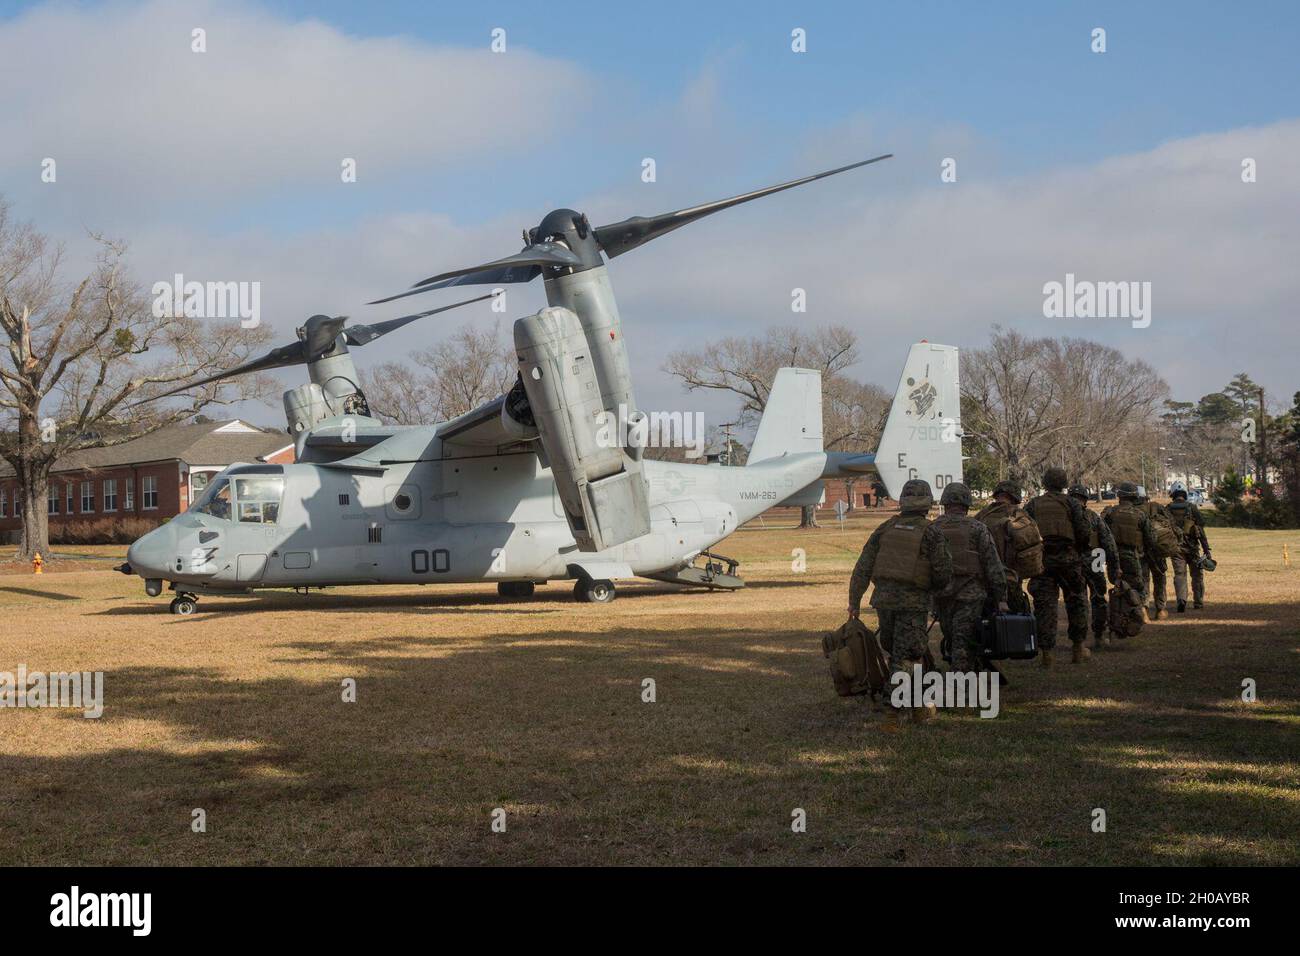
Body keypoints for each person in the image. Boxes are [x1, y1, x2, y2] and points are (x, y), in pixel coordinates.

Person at [848, 478, 953, 723]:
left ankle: (919, 709)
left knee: (904, 653)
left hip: (883, 602)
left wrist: (854, 601)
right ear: (927, 502)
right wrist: (934, 592)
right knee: (907, 657)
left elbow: (863, 566)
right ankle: (891, 712)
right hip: (913, 603)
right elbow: (943, 571)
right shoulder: (932, 532)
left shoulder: (885, 528)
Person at [933, 482, 1008, 673]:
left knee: (953, 636)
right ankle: (962, 685)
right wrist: (1001, 598)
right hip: (970, 593)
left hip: (942, 593)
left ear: (945, 502)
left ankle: (962, 676)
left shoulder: (933, 528)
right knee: (963, 639)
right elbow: (993, 565)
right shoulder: (977, 528)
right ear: (967, 504)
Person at [1024, 467, 1093, 665]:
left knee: (1045, 606)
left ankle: (1047, 654)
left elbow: (1026, 532)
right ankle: (1078, 649)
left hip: (1043, 561)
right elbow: (1083, 531)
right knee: (1077, 601)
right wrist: (1078, 551)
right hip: (1069, 558)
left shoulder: (1033, 504)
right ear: (1064, 484)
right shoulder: (1072, 503)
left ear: (1044, 483)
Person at [1069, 484, 1118, 650]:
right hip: (1096, 559)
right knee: (1098, 598)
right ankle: (1099, 635)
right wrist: (1114, 568)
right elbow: (1109, 543)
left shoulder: (1065, 518)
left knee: (1078, 600)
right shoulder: (1093, 517)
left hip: (1072, 561)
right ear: (1085, 500)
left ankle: (1080, 641)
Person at [975, 480, 1034, 617]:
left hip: (984, 583)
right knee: (1014, 628)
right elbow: (1032, 548)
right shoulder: (1019, 516)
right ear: (1014, 497)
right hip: (1010, 582)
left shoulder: (981, 516)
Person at [1103, 482, 1159, 618]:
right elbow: (1151, 539)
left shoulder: (1110, 513)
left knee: (1117, 585)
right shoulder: (1140, 515)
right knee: (1137, 586)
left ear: (1119, 496)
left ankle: (1117, 615)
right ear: (1135, 497)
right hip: (1134, 557)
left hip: (1113, 558)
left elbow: (1101, 535)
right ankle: (1139, 615)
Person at [1166, 481, 1212, 611]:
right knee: (1197, 575)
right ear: (1185, 493)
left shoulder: (1168, 509)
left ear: (1173, 494)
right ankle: (1198, 602)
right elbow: (1201, 530)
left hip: (1176, 549)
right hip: (1192, 548)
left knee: (1180, 574)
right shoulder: (1192, 508)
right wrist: (1206, 548)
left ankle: (1181, 600)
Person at [1138, 488, 1173, 620]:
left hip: (1141, 551)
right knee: (1159, 578)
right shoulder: (1156, 507)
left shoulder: (1133, 511)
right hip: (1157, 550)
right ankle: (1161, 609)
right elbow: (1171, 522)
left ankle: (1143, 609)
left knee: (1143, 580)